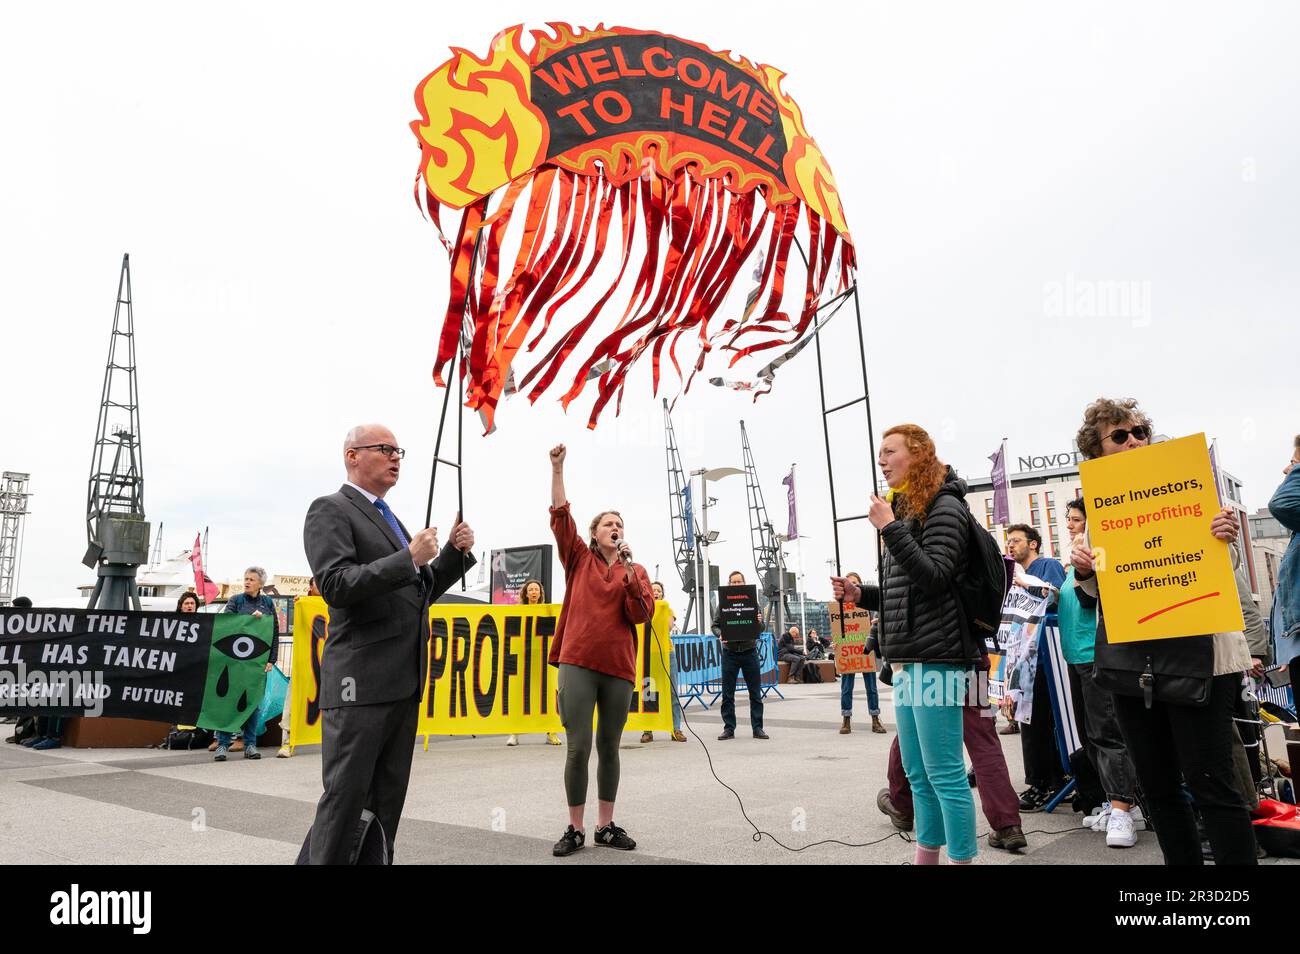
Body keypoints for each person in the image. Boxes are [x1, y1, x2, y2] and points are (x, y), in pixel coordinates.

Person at [1070, 398, 1256, 865]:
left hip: (1200, 659)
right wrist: (1086, 569)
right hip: (1133, 663)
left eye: (1140, 431)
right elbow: (1097, 595)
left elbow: (1223, 576)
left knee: (1213, 783)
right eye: (1120, 435)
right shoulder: (1100, 513)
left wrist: (1223, 538)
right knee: (1157, 786)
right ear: (1097, 451)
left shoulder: (1189, 487)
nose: (1133, 440)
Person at [302, 423, 476, 864]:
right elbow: (337, 585)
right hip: (360, 685)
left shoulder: (388, 518)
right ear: (352, 456)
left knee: (385, 802)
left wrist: (452, 555)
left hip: (401, 683)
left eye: (399, 450)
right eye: (385, 449)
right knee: (345, 798)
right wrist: (408, 558)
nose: (396, 457)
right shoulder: (330, 509)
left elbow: (414, 593)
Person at [831, 423, 979, 865]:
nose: (881, 459)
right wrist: (863, 596)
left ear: (917, 455)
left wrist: (891, 528)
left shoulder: (945, 505)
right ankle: (926, 857)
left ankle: (962, 860)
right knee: (917, 774)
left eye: (890, 451)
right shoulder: (908, 508)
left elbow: (935, 576)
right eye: (880, 451)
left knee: (946, 773)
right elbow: (907, 589)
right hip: (910, 657)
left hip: (939, 658)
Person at [547, 444, 653, 857]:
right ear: (594, 533)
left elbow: (640, 612)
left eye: (619, 524)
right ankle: (574, 828)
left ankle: (604, 826)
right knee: (579, 746)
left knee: (610, 746)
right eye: (608, 523)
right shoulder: (577, 558)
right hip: (578, 662)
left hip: (619, 669)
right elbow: (560, 517)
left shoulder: (635, 569)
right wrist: (557, 469)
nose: (615, 528)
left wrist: (629, 571)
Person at [1057, 499, 1142, 848]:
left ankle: (1124, 808)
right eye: (1069, 520)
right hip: (1076, 655)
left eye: (1077, 519)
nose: (1071, 525)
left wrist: (1084, 572)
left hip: (1097, 653)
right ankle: (1119, 801)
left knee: (1108, 733)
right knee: (1091, 736)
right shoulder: (1072, 561)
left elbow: (1093, 600)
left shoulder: (1099, 553)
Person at [1003, 524, 1069, 812]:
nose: (1010, 546)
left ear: (1033, 544)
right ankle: (1046, 780)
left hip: (1044, 656)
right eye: (1008, 542)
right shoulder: (1011, 575)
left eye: (1016, 541)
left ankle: (1045, 782)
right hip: (1020, 659)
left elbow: (1055, 598)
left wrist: (1027, 584)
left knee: (1041, 721)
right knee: (1029, 720)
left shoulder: (1048, 565)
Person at [210, 566, 278, 761]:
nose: (247, 582)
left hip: (256, 664)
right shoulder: (235, 601)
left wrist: (271, 659)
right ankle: (223, 744)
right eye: (245, 578)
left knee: (252, 704)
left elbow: (273, 631)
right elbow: (227, 624)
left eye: (251, 579)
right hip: (234, 662)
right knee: (228, 702)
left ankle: (250, 745)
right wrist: (249, 619)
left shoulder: (267, 603)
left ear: (260, 584)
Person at [507, 580, 563, 748]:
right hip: (524, 658)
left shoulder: (547, 611)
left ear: (540, 593)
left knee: (548, 695)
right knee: (519, 696)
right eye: (530, 589)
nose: (533, 592)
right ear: (526, 593)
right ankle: (514, 733)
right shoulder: (518, 612)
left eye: (536, 589)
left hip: (544, 660)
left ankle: (551, 732)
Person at [714, 570, 768, 741]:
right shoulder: (722, 603)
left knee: (755, 693)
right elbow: (715, 625)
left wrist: (759, 622)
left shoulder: (753, 602)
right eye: (733, 582)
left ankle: (757, 728)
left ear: (744, 583)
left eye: (739, 582)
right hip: (730, 652)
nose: (736, 584)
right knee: (727, 693)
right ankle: (729, 728)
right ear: (729, 584)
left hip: (749, 651)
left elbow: (761, 629)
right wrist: (720, 634)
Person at [838, 572, 885, 734]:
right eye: (850, 583)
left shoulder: (869, 605)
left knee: (871, 687)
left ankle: (875, 718)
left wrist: (878, 622)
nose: (853, 585)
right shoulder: (839, 607)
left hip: (866, 650)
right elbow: (837, 628)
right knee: (846, 687)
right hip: (848, 652)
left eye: (856, 583)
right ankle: (846, 719)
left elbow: (881, 616)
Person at [642, 581, 687, 743]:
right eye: (652, 590)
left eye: (658, 591)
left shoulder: (667, 608)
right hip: (648, 655)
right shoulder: (642, 608)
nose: (655, 592)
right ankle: (647, 730)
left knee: (672, 692)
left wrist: (660, 608)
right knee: (648, 693)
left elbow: (668, 626)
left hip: (667, 654)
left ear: (662, 594)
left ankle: (676, 729)